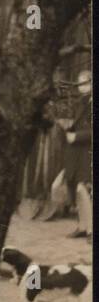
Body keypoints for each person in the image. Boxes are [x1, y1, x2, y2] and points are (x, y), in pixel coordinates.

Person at [61, 69, 92, 240]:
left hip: (87, 151)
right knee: (76, 188)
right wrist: (67, 127)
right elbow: (76, 124)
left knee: (84, 189)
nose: (81, 87)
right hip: (76, 152)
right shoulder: (81, 102)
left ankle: (91, 230)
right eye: (79, 83)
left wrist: (76, 136)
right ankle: (82, 226)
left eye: (85, 83)